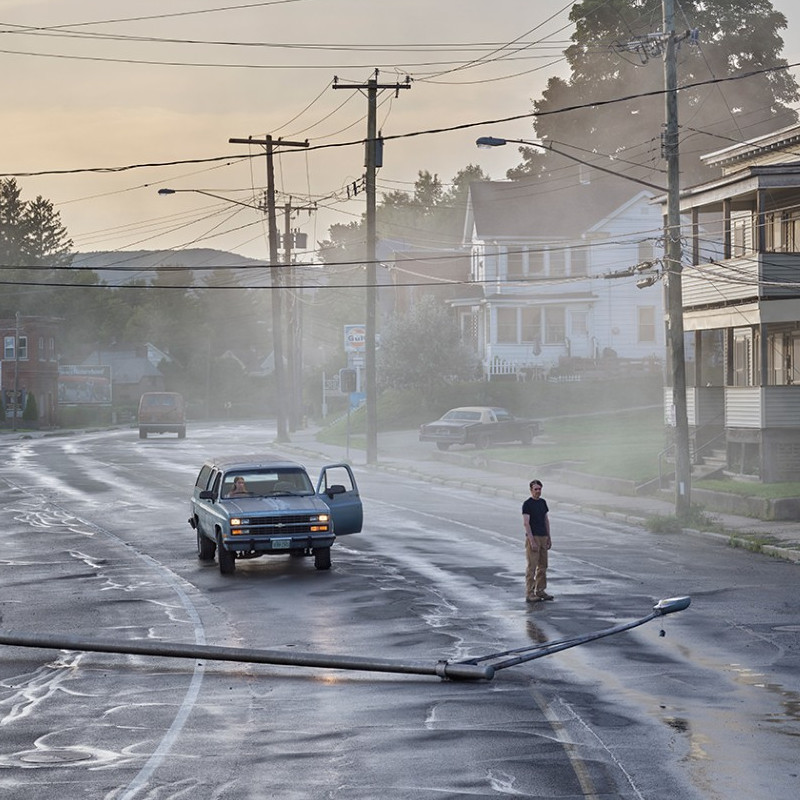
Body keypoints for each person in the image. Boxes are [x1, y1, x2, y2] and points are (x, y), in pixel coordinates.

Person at [521, 479, 553, 602]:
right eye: (536, 489)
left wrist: (549, 536)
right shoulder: (527, 504)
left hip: (543, 536)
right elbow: (526, 523)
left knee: (543, 566)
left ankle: (540, 590)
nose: (538, 491)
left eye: (540, 489)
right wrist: (531, 540)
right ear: (531, 490)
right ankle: (530, 593)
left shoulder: (542, 503)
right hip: (533, 537)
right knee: (532, 567)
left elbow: (546, 520)